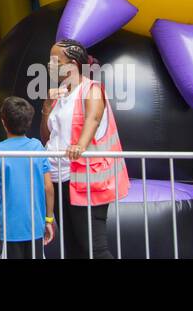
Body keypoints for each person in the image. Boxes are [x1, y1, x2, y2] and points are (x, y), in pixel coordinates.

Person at [39, 38, 129, 259]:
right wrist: (45, 109)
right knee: (73, 246)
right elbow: (46, 137)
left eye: (54, 60)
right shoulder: (59, 93)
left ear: (71, 63)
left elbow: (93, 119)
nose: (50, 65)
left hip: (87, 180)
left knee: (93, 247)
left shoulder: (92, 90)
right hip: (60, 178)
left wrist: (80, 145)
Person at [0, 96, 55, 259]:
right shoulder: (37, 147)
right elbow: (48, 187)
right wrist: (49, 219)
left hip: (10, 228)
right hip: (35, 225)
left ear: (3, 121)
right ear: (29, 122)